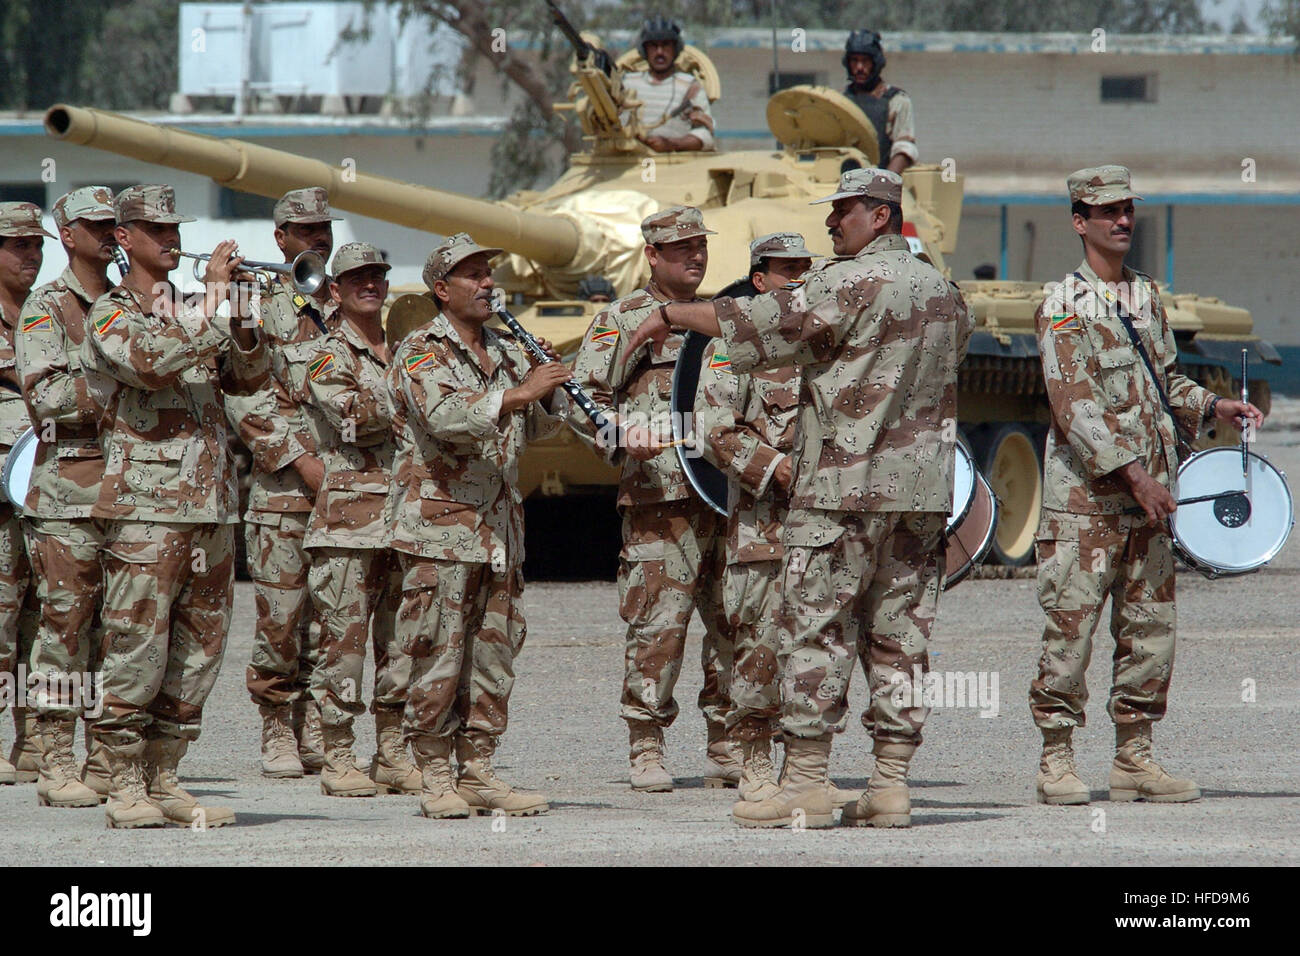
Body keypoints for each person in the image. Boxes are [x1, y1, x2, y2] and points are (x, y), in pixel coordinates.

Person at [622, 169, 972, 828]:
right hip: (922, 494)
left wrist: (668, 315)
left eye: (841, 212)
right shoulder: (946, 292)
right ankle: (891, 784)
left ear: (878, 214)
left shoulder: (841, 283)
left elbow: (749, 322)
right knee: (900, 640)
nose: (832, 224)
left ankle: (807, 780)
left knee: (817, 632)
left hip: (840, 493)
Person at [1029, 166, 1263, 806]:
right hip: (1087, 506)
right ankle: (1057, 759)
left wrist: (1214, 407)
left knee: (1150, 631)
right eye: (1107, 212)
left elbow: (1165, 388)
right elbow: (1074, 405)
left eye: (1128, 210)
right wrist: (1135, 476)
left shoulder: (1146, 298)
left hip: (1152, 503)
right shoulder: (1062, 305)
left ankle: (1134, 757)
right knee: (1069, 632)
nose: (1122, 221)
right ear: (1080, 221)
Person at [82, 184, 265, 829]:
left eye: (174, 228)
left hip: (211, 509)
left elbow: (251, 384)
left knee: (197, 651)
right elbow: (151, 364)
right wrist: (214, 307)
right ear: (124, 239)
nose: (171, 239)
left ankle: (164, 775)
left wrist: (242, 321)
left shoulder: (195, 309)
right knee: (136, 647)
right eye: (156, 230)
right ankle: (123, 781)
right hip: (147, 511)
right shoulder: (110, 312)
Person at [388, 233, 570, 819]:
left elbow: (539, 432)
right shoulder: (422, 350)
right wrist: (520, 392)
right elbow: (445, 418)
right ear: (442, 289)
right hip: (441, 530)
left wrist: (547, 390)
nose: (488, 283)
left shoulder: (504, 349)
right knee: (436, 650)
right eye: (473, 274)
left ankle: (479, 771)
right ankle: (434, 773)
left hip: (499, 531)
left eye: (489, 272)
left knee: (493, 654)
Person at [568, 204, 737, 792]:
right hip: (658, 500)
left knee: (734, 622)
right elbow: (579, 398)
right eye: (682, 248)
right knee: (657, 626)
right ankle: (647, 744)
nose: (695, 255)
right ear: (652, 255)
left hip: (724, 497)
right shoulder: (621, 320)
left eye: (701, 246)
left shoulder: (720, 317)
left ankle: (728, 741)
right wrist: (618, 435)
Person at [286, 241, 416, 798]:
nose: (371, 284)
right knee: (343, 640)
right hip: (348, 521)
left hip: (410, 516)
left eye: (378, 276)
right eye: (356, 277)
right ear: (333, 291)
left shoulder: (404, 349)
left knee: (404, 641)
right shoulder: (323, 352)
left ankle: (392, 750)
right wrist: (423, 397)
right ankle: (338, 753)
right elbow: (353, 414)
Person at [224, 187, 340, 779]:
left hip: (345, 491)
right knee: (281, 615)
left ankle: (317, 725)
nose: (318, 237)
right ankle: (276, 728)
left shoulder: (347, 300)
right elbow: (244, 398)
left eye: (324, 227)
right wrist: (301, 461)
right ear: (281, 240)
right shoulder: (255, 305)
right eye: (305, 230)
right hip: (285, 493)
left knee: (333, 614)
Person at [692, 232, 811, 801]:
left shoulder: (829, 341)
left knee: (815, 653)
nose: (799, 279)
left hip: (826, 534)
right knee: (758, 650)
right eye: (786, 270)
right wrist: (779, 469)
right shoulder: (732, 349)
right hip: (763, 532)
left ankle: (805, 770)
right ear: (759, 282)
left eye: (806, 269)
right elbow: (715, 430)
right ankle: (756, 763)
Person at [15, 187, 117, 807]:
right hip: (67, 496)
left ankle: (107, 757)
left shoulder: (138, 303)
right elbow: (48, 399)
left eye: (114, 225)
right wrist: (127, 373)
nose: (107, 234)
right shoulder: (45, 308)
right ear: (68, 234)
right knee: (63, 630)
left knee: (122, 634)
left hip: (133, 494)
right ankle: (53, 759)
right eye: (94, 225)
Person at [0, 202, 47, 787]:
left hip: (47, 489)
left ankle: (34, 736)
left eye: (37, 245)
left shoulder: (47, 315)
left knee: (48, 620)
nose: (31, 256)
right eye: (18, 245)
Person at [622, 16, 715, 153]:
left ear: (675, 49)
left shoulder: (690, 87)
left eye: (666, 45)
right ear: (645, 50)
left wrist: (670, 144)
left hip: (674, 164)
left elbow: (705, 136)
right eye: (653, 46)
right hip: (625, 161)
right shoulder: (626, 84)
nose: (660, 52)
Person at [842, 30, 916, 174]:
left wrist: (882, 186)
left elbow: (904, 149)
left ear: (875, 63)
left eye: (865, 61)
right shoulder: (841, 102)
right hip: (843, 182)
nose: (859, 68)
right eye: (854, 61)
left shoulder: (896, 101)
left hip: (882, 182)